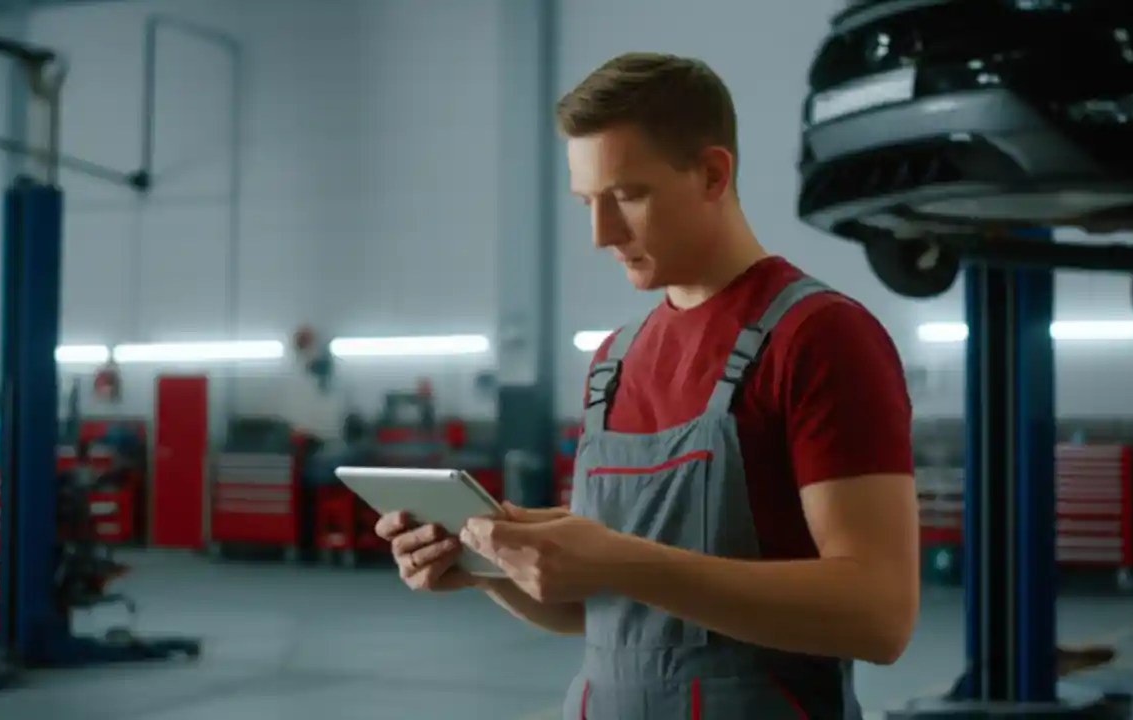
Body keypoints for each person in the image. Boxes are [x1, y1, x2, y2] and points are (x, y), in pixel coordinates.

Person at [375, 52, 919, 718]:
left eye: (628, 195)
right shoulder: (615, 361)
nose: (602, 234)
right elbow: (608, 616)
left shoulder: (820, 338)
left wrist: (618, 560)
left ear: (713, 173)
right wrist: (486, 571)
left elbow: (879, 615)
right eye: (587, 203)